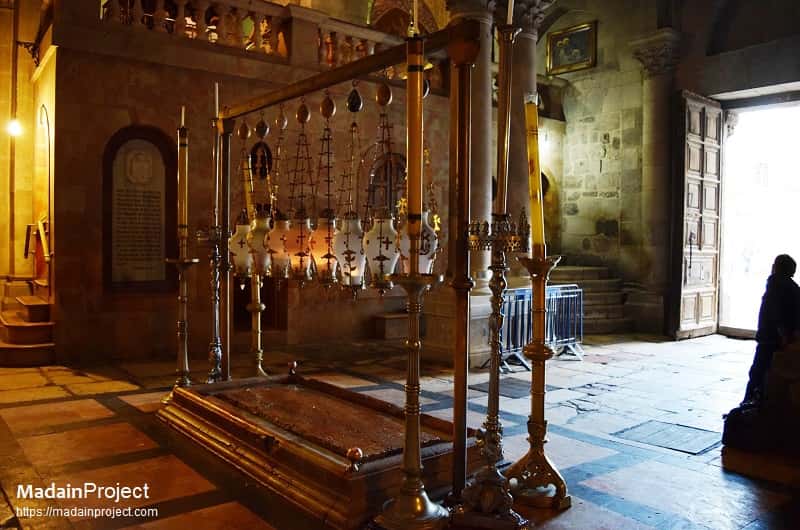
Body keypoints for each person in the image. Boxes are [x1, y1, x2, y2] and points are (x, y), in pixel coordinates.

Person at [742, 254, 800, 405]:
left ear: (776, 267)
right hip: (781, 338)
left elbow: (775, 313)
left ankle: (750, 403)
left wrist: (782, 334)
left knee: (758, 372)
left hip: (771, 337)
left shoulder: (775, 285)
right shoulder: (793, 288)